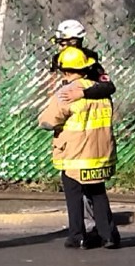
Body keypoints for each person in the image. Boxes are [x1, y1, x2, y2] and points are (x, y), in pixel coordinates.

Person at [38, 47, 121, 250]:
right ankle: (108, 235)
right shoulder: (98, 90)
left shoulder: (67, 93)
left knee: (74, 196)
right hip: (100, 154)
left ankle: (77, 236)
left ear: (65, 71)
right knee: (98, 193)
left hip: (75, 156)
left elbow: (48, 121)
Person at [50, 19, 115, 104]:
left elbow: (108, 87)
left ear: (74, 42)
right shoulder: (57, 59)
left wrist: (82, 94)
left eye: (62, 44)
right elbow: (52, 87)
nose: (59, 48)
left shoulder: (89, 62)